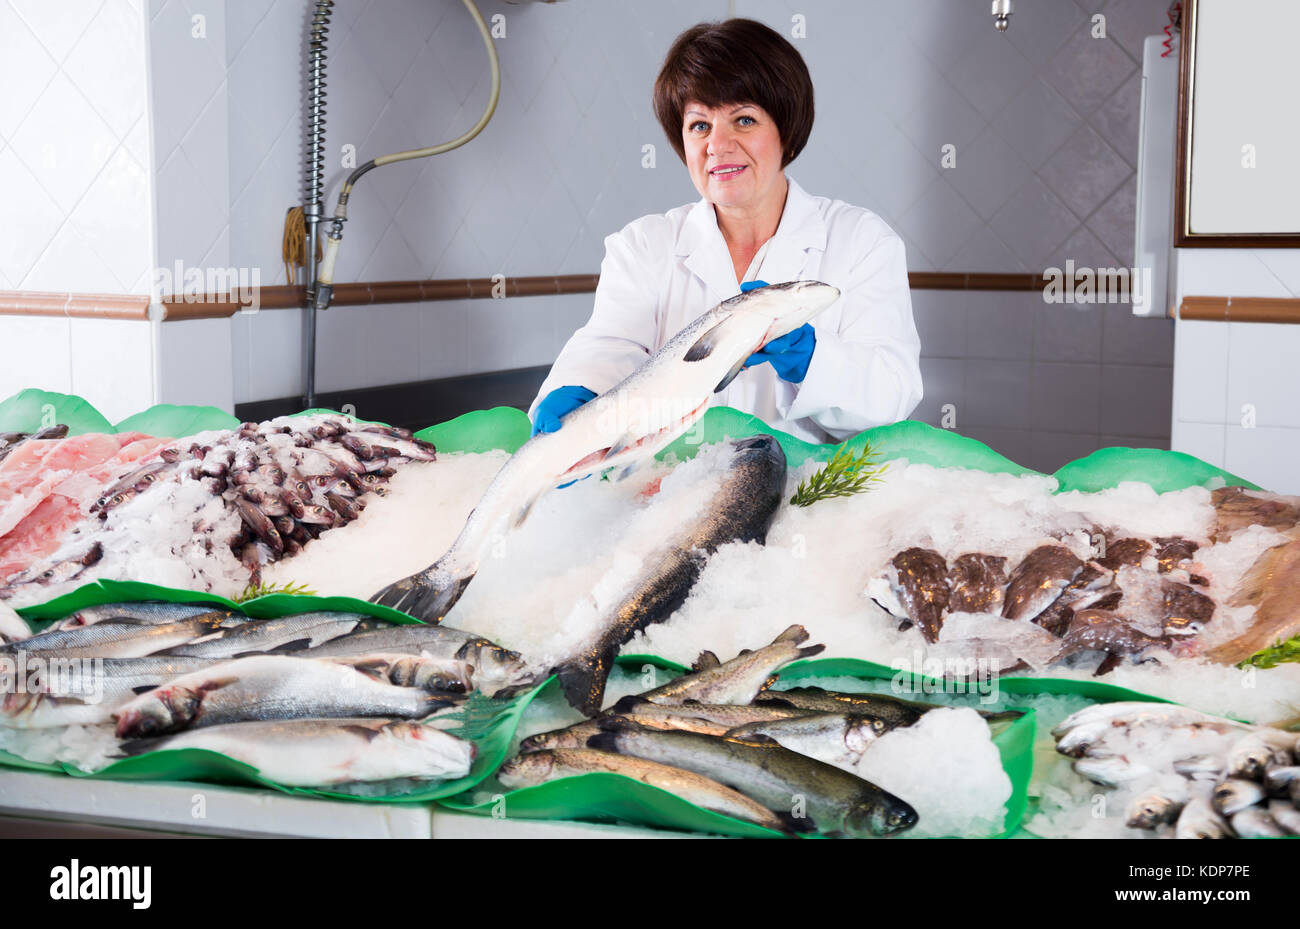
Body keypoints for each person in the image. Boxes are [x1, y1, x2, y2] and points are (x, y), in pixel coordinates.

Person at [529, 18, 922, 446]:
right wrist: (579, 390)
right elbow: (609, 348)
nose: (718, 144)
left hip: (810, 502)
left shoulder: (863, 242)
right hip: (668, 494)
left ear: (787, 132)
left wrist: (813, 359)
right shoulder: (643, 246)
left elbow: (892, 397)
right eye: (700, 125)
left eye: (744, 120)